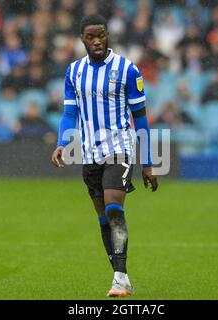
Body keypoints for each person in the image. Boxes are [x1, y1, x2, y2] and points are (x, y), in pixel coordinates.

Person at [51, 14, 158, 297]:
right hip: (90, 154)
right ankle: (120, 275)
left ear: (108, 36)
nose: (97, 41)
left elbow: (142, 120)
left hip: (119, 150)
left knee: (113, 209)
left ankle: (120, 277)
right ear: (82, 39)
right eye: (90, 37)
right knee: (103, 219)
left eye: (101, 35)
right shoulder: (74, 72)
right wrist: (63, 142)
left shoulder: (128, 70)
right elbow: (70, 112)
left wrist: (147, 162)